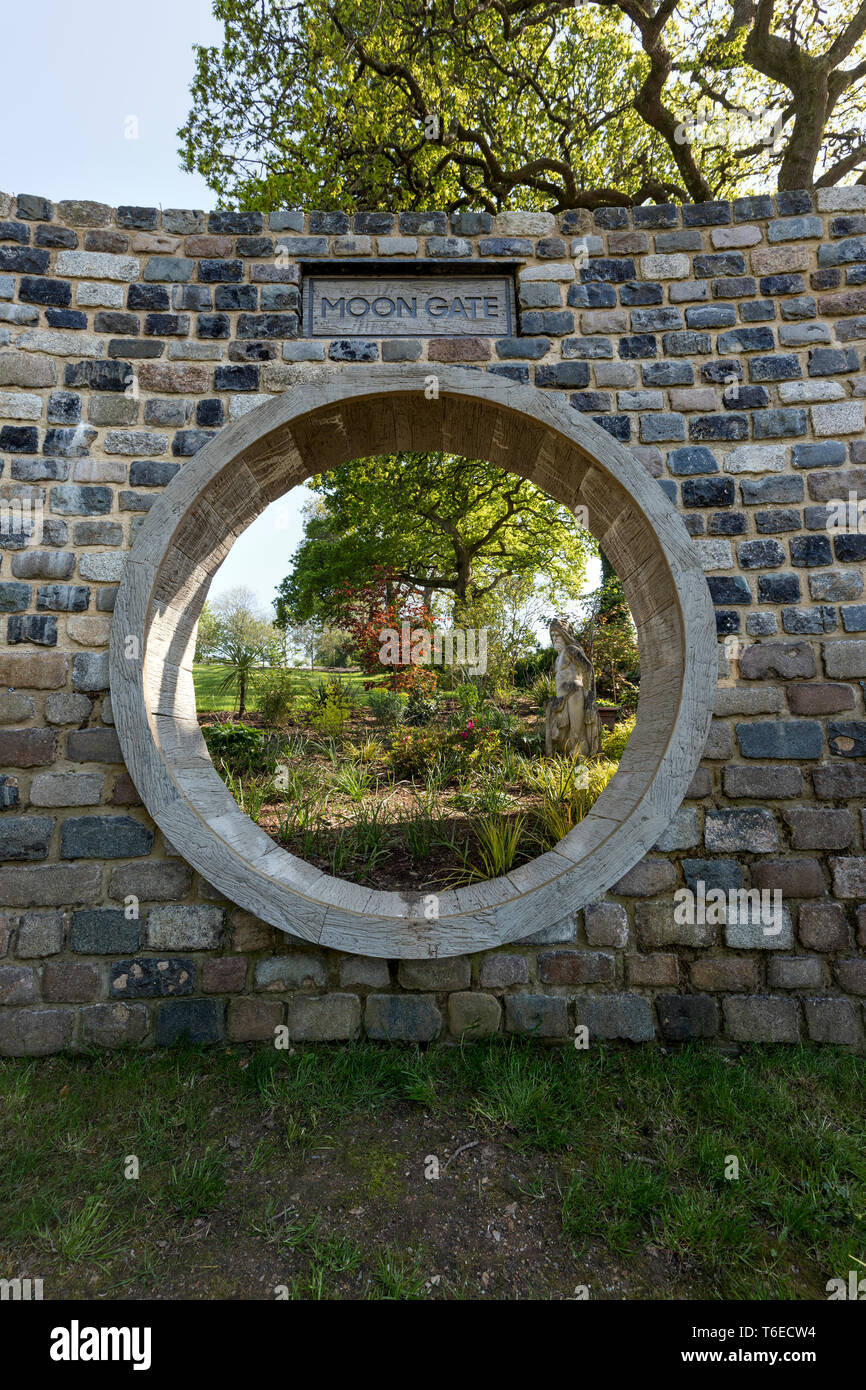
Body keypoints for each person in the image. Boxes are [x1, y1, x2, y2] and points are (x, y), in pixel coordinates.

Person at [545, 617, 602, 758]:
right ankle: (570, 759)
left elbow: (587, 668)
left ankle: (581, 761)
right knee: (560, 734)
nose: (554, 638)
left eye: (557, 634)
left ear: (565, 634)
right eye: (552, 635)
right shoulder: (558, 658)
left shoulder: (571, 650)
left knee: (577, 731)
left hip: (575, 694)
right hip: (561, 699)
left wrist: (588, 695)